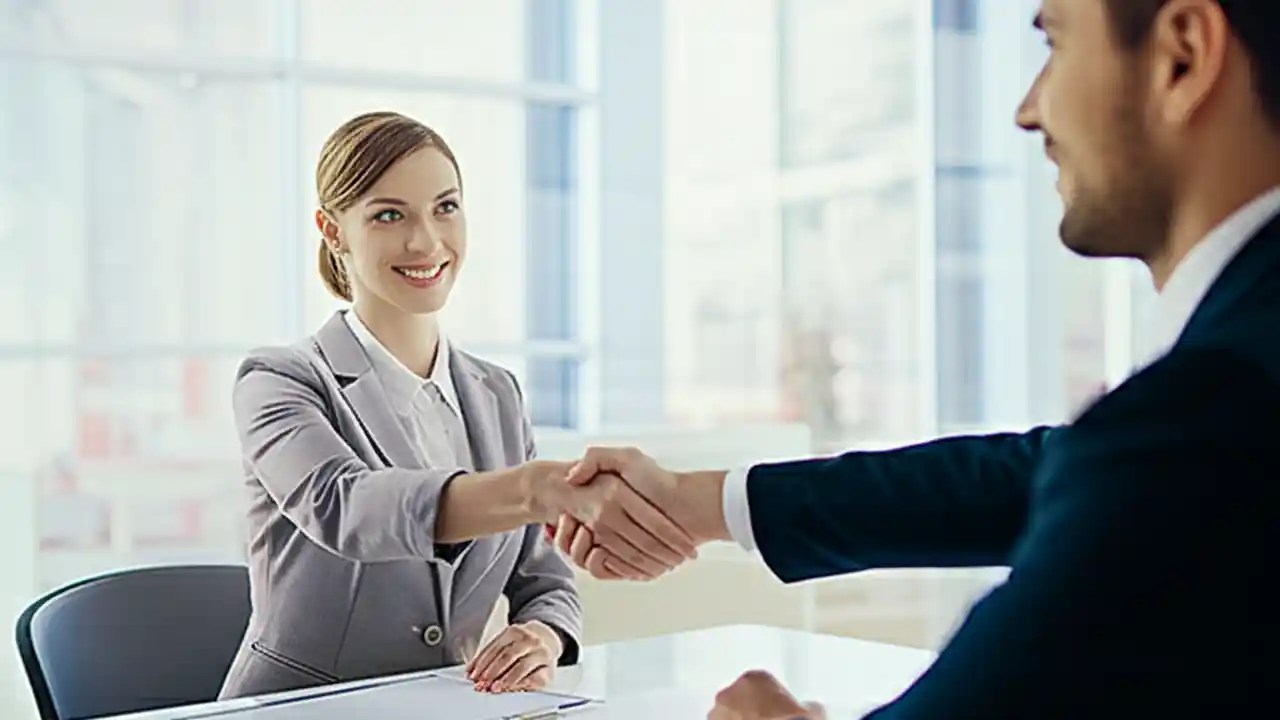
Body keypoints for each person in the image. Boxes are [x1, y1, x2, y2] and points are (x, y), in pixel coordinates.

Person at [554, 0, 1280, 716]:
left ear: (1181, 57)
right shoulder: (1215, 399)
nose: (1029, 110)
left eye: (1054, 42)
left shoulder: (1207, 413)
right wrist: (704, 502)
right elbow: (1047, 475)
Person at [219, 111, 696, 699]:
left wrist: (541, 635)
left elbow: (542, 575)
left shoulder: (495, 394)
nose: (426, 241)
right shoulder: (279, 380)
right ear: (332, 229)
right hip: (298, 711)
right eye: (389, 215)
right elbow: (346, 507)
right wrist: (532, 488)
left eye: (445, 208)